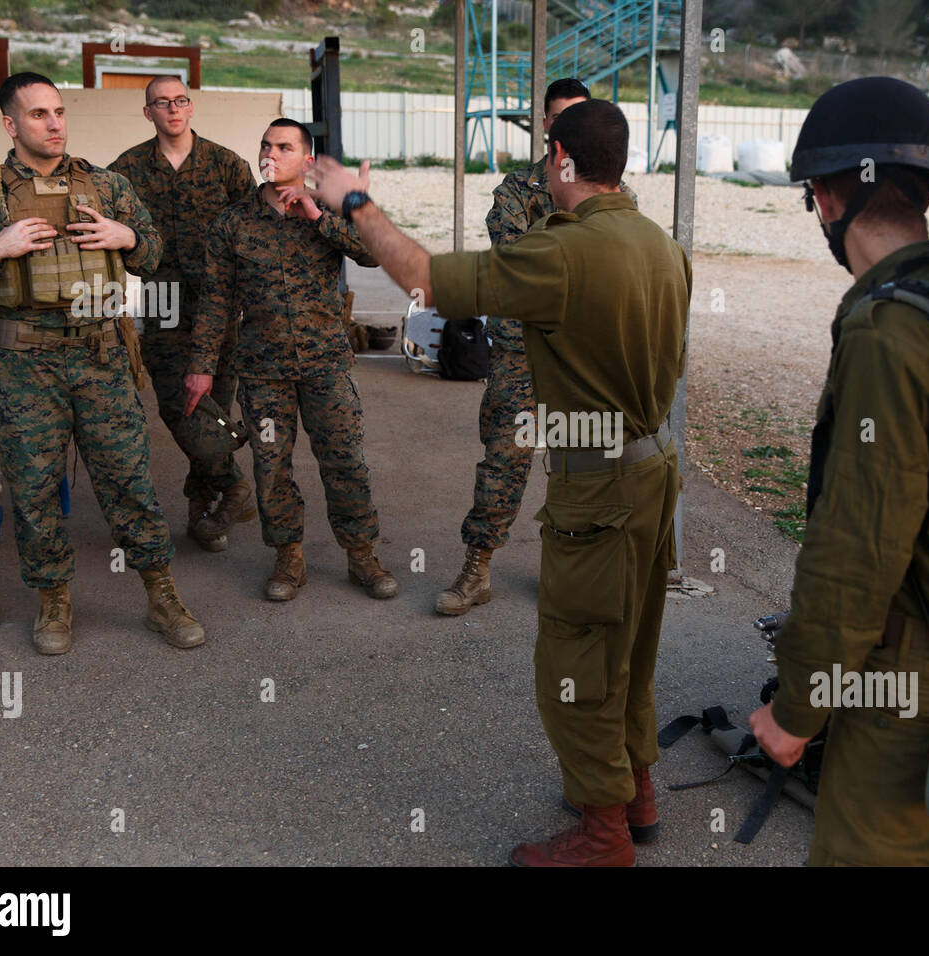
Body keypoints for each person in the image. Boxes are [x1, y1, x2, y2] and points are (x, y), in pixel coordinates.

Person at [304, 98, 691, 867]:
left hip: (600, 485)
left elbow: (420, 278)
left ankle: (605, 836)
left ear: (561, 160)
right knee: (632, 647)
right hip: (654, 470)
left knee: (576, 664)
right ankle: (635, 791)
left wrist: (352, 197)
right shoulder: (660, 244)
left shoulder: (563, 252)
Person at [746, 76, 929, 866]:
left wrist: (799, 708)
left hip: (907, 695)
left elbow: (858, 549)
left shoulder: (888, 330)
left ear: (827, 196)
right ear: (925, 189)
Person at [0, 72, 204, 655]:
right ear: (11, 124)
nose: (54, 124)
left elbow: (153, 254)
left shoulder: (107, 186)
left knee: (129, 480)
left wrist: (126, 235)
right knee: (33, 487)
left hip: (101, 353)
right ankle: (54, 601)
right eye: (37, 115)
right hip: (27, 363)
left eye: (58, 112)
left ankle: (161, 595)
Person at [436, 78, 637, 617]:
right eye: (561, 117)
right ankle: (477, 568)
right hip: (521, 355)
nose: (570, 125)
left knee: (584, 469)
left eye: (581, 116)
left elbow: (613, 267)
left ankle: (570, 575)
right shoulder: (516, 190)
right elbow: (519, 266)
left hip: (584, 359)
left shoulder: (619, 196)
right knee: (504, 461)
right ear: (547, 126)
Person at [183, 118, 396, 602]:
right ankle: (288, 556)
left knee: (345, 461)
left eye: (284, 146)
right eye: (265, 145)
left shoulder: (329, 210)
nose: (271, 154)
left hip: (326, 364)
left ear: (308, 160)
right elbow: (215, 300)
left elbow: (373, 252)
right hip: (262, 368)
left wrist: (318, 217)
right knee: (271, 465)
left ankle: (361, 554)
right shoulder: (232, 222)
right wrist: (202, 365)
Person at [108, 76, 257, 553]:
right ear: (147, 112)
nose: (172, 109)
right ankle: (233, 484)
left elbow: (252, 234)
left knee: (214, 406)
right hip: (160, 299)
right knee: (180, 404)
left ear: (190, 107)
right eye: (160, 103)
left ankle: (203, 506)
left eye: (179, 100)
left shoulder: (227, 165)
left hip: (219, 304)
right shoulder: (126, 169)